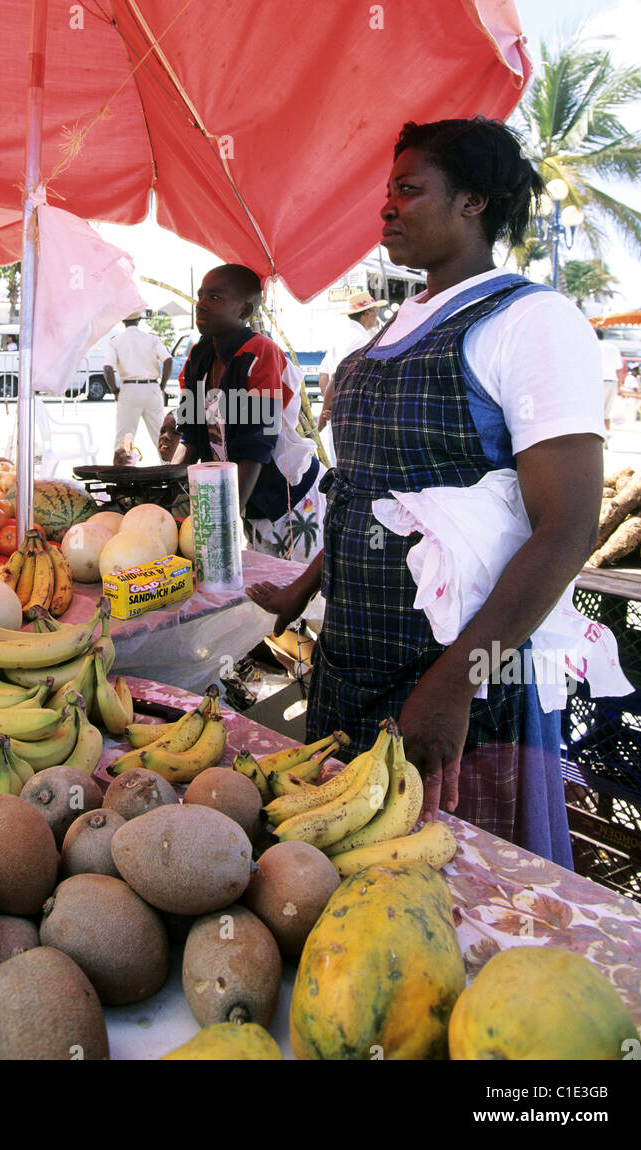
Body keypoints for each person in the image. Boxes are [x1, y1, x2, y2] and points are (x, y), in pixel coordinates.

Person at [248, 117, 606, 866]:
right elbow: (366, 489)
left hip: (460, 682)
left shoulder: (531, 322)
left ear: (474, 202)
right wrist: (302, 592)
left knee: (451, 894)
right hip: (353, 662)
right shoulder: (388, 329)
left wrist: (458, 681)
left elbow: (568, 526)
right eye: (387, 190)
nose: (386, 208)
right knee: (337, 876)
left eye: (409, 190)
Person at [175, 264, 324, 562]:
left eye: (215, 297)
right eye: (200, 294)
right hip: (244, 497)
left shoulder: (261, 354)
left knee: (292, 589)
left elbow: (256, 446)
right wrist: (174, 499)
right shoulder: (198, 356)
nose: (201, 303)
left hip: (289, 499)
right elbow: (191, 435)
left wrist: (223, 525)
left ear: (244, 312)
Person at [103, 313, 171, 458]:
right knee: (160, 434)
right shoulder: (152, 339)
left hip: (129, 389)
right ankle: (169, 468)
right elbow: (168, 360)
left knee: (125, 436)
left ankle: (124, 469)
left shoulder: (115, 341)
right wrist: (162, 386)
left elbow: (107, 368)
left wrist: (115, 390)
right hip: (151, 388)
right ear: (139, 320)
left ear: (122, 320)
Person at [317, 293, 387, 434]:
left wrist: (329, 404)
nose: (376, 315)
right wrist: (331, 409)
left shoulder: (342, 334)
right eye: (375, 311)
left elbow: (324, 374)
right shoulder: (359, 340)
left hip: (339, 412)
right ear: (366, 314)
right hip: (348, 415)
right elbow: (336, 375)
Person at [594, 328, 624, 432]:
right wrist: (620, 386)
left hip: (597, 381)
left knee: (595, 412)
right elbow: (619, 369)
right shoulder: (613, 347)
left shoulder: (592, 345)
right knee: (607, 412)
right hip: (612, 381)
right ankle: (607, 436)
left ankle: (600, 437)